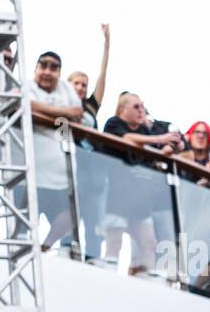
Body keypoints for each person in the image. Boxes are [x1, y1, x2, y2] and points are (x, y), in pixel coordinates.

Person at [101, 93, 183, 275]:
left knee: (149, 243)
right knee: (115, 241)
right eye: (136, 107)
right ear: (123, 109)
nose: (141, 111)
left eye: (143, 107)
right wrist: (161, 139)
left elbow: (154, 152)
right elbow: (127, 139)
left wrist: (172, 147)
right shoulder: (113, 123)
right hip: (118, 196)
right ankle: (107, 278)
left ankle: (147, 279)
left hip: (139, 199)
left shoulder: (145, 131)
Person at [24, 51, 81, 251]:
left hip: (61, 173)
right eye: (43, 66)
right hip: (31, 169)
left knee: (69, 216)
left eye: (53, 67)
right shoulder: (27, 85)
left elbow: (77, 113)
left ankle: (45, 246)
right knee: (28, 217)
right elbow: (27, 106)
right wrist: (62, 114)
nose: (47, 72)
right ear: (36, 68)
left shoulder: (66, 88)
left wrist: (45, 112)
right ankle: (24, 250)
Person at [66, 23, 110, 130]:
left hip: (90, 146)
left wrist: (107, 43)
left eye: (84, 85)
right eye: (76, 83)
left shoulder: (91, 106)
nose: (80, 87)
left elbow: (102, 75)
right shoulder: (60, 102)